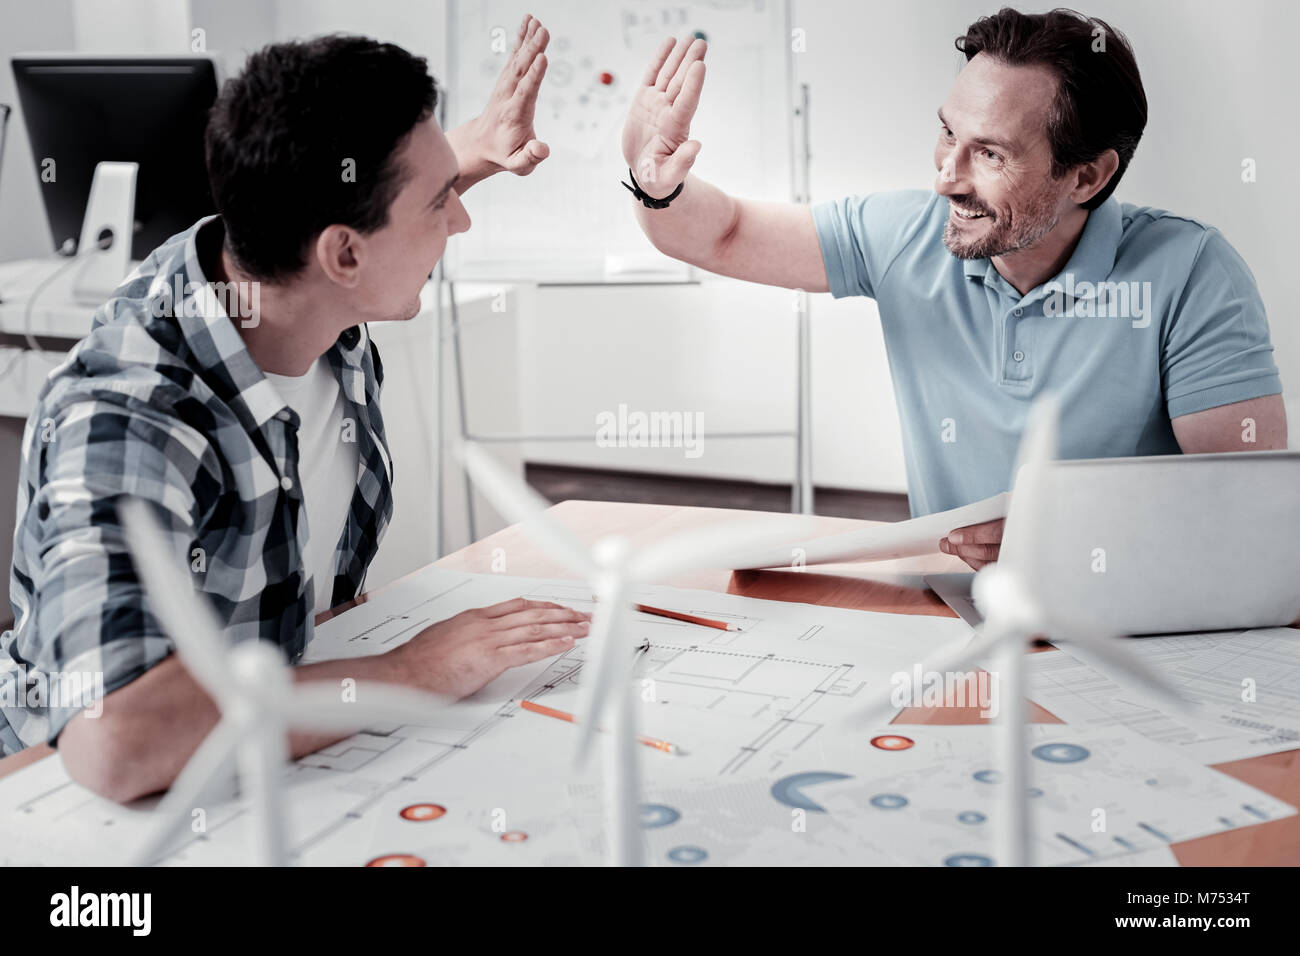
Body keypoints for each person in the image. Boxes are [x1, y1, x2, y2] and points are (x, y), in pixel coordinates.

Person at [0, 19, 591, 803]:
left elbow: (351, 217)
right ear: (343, 254)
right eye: (444, 201)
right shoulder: (125, 420)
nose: (462, 220)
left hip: (276, 730)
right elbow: (120, 742)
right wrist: (416, 670)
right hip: (75, 800)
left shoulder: (286, 276)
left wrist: (467, 154)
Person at [620, 7, 1286, 569]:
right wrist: (658, 185)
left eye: (990, 154)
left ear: (1086, 177)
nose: (946, 177)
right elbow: (721, 233)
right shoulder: (904, 235)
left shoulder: (1193, 270)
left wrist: (1082, 544)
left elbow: (1246, 514)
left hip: (1135, 625)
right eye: (947, 133)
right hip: (957, 609)